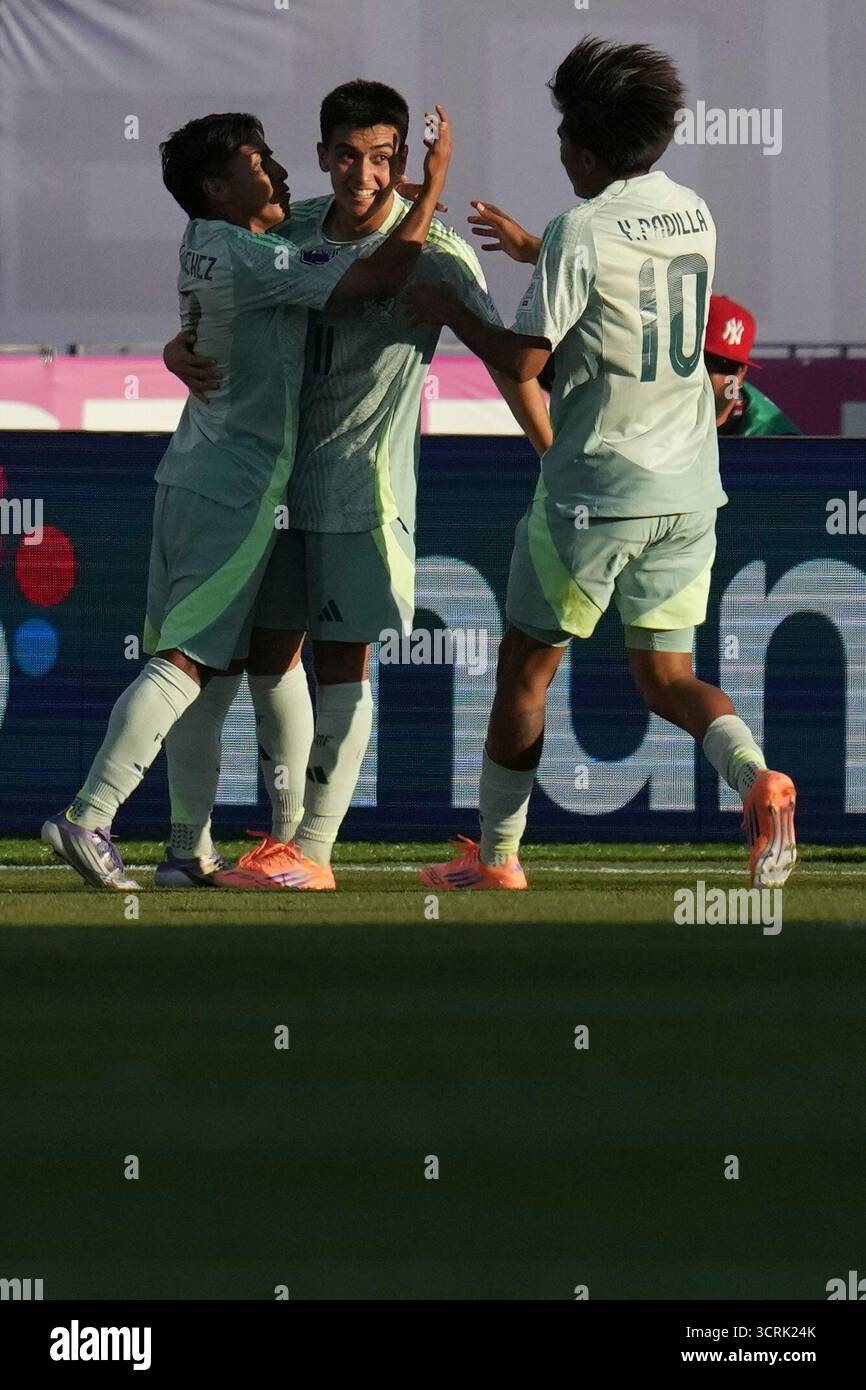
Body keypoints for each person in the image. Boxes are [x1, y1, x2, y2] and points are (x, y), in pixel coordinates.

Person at [407, 36, 797, 891]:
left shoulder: (579, 230)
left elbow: (523, 362)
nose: (556, 153)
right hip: (691, 486)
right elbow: (631, 285)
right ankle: (759, 779)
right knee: (669, 677)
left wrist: (449, 306)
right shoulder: (693, 210)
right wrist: (534, 248)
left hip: (596, 491)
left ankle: (499, 861)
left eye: (560, 141)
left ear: (585, 150)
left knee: (525, 670)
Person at [41, 106, 452, 889]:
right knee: (187, 663)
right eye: (257, 160)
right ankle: (89, 815)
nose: (279, 169)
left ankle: (184, 850)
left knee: (218, 670)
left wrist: (173, 349)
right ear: (215, 185)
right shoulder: (251, 256)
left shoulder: (211, 243)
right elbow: (375, 276)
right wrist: (428, 188)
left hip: (191, 470)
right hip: (238, 486)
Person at [160, 80, 551, 889]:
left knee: (344, 662)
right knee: (268, 660)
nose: (362, 175)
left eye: (381, 159)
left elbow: (508, 365)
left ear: (402, 159)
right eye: (347, 156)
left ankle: (316, 851)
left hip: (361, 491)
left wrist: (553, 455)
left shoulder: (437, 253)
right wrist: (176, 347)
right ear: (322, 156)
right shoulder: (295, 224)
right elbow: (227, 293)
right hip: (275, 490)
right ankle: (282, 839)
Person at [704, 293, 802, 435]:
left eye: (722, 364)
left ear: (741, 373)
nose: (708, 374)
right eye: (701, 360)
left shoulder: (776, 440)